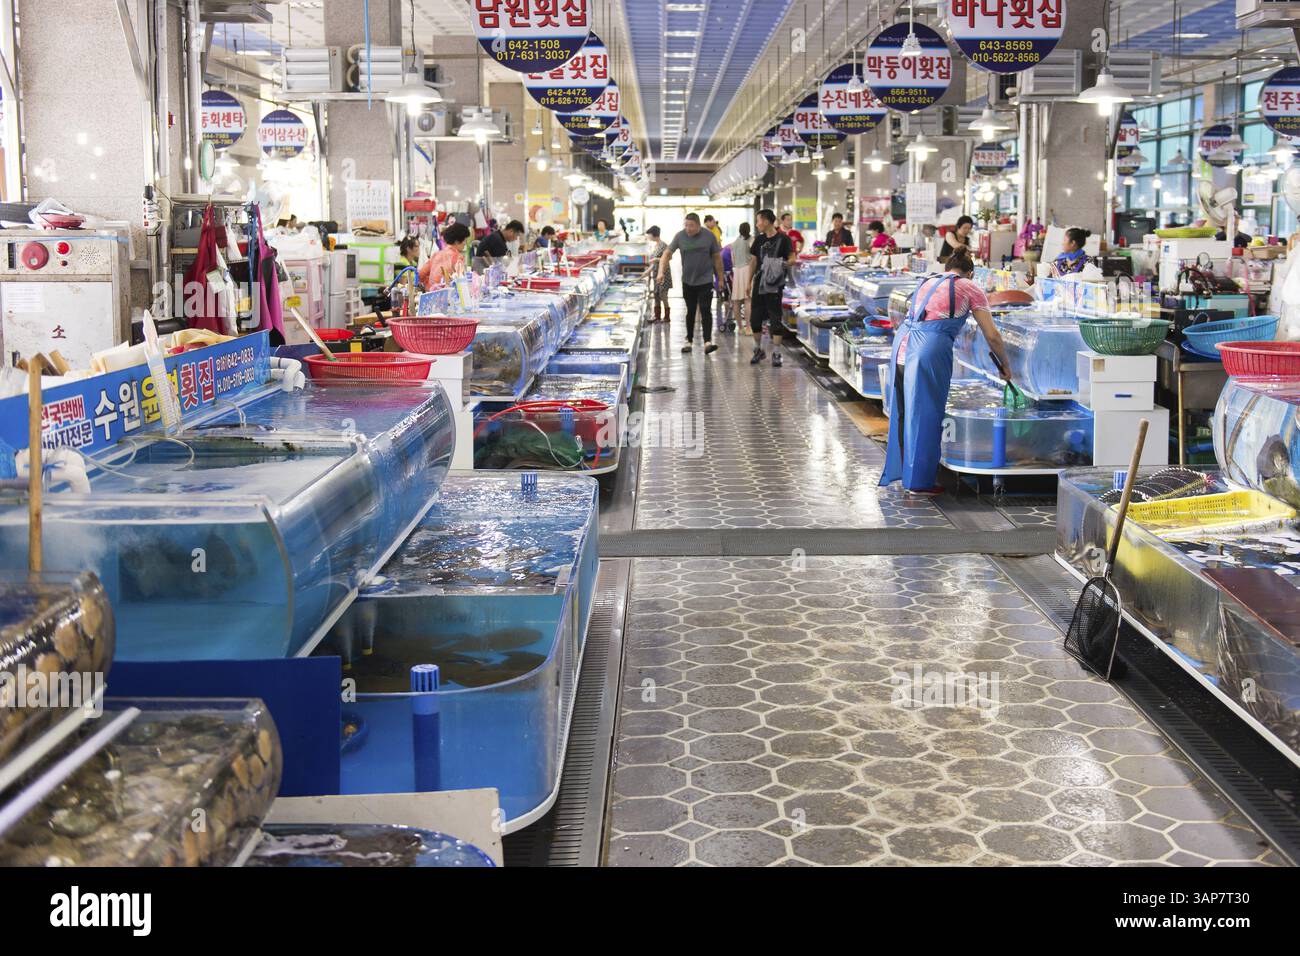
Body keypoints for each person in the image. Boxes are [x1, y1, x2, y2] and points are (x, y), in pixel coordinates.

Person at [880, 250, 1013, 494]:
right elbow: (992, 335)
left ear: (947, 267)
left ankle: (905, 474)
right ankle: (919, 483)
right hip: (927, 350)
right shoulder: (969, 287)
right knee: (926, 415)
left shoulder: (927, 280)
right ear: (970, 273)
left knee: (905, 412)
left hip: (902, 347)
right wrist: (1005, 364)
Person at [658, 213, 725, 354]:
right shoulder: (680, 236)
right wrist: (660, 272)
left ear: (698, 225)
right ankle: (689, 340)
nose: (688, 229)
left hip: (706, 280)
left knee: (706, 309)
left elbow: (717, 258)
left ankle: (707, 342)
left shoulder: (709, 237)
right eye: (686, 225)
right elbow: (666, 254)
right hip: (688, 281)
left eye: (691, 226)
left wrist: (720, 278)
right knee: (691, 311)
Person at [749, 209, 796, 367]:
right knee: (755, 318)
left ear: (767, 221)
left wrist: (782, 264)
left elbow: (792, 257)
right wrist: (749, 282)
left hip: (775, 284)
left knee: (775, 318)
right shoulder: (758, 240)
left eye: (759, 220)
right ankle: (758, 349)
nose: (757, 224)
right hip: (759, 283)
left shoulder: (783, 239)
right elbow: (754, 261)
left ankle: (776, 352)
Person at [419, 222, 470, 289]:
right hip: (447, 295)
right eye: (464, 240)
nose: (465, 244)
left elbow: (420, 275)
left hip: (431, 294)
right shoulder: (458, 257)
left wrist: (430, 285)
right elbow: (462, 283)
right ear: (457, 241)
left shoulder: (436, 255)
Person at [730, 223, 754, 335]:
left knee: (736, 301)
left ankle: (740, 328)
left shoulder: (734, 243)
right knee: (748, 299)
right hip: (748, 269)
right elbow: (754, 258)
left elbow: (732, 259)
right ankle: (748, 328)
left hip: (737, 271)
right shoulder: (751, 241)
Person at [647, 226, 670, 323]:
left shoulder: (664, 245)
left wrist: (656, 259)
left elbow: (668, 259)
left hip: (664, 274)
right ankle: (657, 316)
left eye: (649, 234)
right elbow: (653, 263)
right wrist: (647, 271)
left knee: (663, 295)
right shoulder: (655, 246)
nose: (648, 236)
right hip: (655, 273)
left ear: (654, 234)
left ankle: (667, 317)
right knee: (656, 295)